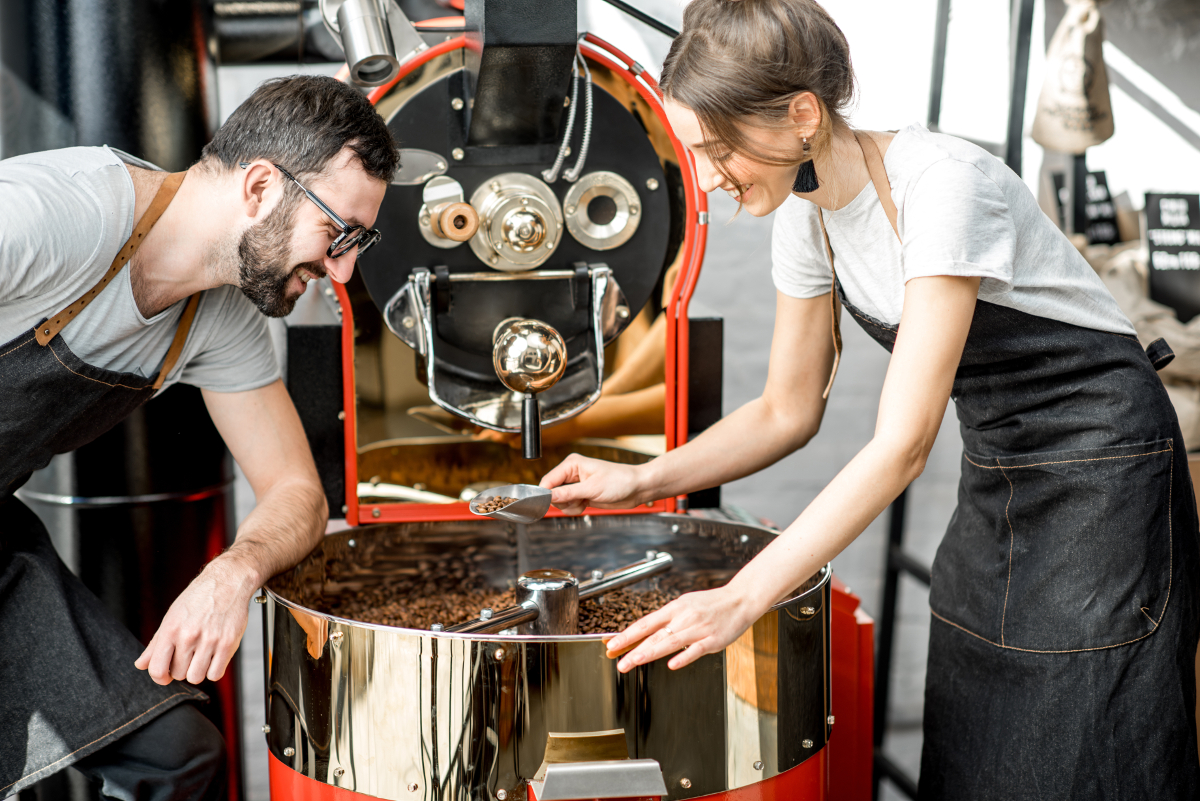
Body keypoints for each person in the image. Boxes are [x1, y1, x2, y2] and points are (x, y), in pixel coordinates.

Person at [540, 0, 1200, 797]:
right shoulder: (805, 215)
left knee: (1083, 723)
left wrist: (743, 597)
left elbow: (903, 445)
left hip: (1107, 468)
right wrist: (639, 478)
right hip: (1003, 467)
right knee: (976, 695)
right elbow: (787, 409)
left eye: (719, 150)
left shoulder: (944, 186)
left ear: (802, 114)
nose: (709, 180)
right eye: (697, 154)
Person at [0, 75, 397, 798]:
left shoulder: (221, 323)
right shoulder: (55, 215)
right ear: (259, 186)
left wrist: (235, 569)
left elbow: (299, 494)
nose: (343, 270)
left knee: (177, 754)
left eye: (359, 242)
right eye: (337, 234)